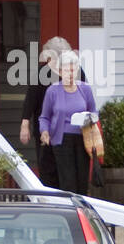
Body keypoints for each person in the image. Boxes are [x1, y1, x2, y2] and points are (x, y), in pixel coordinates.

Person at [39, 50, 97, 195]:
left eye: (73, 70)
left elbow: (94, 112)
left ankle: (81, 211)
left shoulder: (85, 89)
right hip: (61, 139)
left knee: (82, 180)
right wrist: (44, 131)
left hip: (83, 139)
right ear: (59, 71)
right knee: (68, 180)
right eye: (66, 70)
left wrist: (90, 117)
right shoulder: (53, 91)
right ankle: (71, 211)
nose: (70, 74)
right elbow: (44, 117)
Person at [21, 36, 70, 188]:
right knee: (48, 169)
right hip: (45, 130)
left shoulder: (76, 72)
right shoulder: (42, 73)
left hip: (68, 130)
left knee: (66, 170)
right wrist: (25, 124)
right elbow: (31, 99)